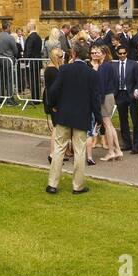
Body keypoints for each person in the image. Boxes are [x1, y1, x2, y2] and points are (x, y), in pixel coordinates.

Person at [45, 41, 102, 195]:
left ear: (74, 54)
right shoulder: (92, 74)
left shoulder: (64, 69)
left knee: (58, 149)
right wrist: (98, 118)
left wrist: (54, 106)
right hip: (82, 116)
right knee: (79, 151)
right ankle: (77, 186)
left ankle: (52, 184)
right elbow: (96, 99)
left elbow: (52, 90)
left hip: (64, 115)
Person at [90, 43, 122, 162]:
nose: (95, 54)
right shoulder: (108, 65)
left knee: (107, 124)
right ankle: (117, 150)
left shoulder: (104, 66)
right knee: (110, 124)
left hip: (105, 97)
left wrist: (98, 101)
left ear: (103, 53)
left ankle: (111, 152)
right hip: (109, 95)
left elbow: (101, 86)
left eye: (98, 52)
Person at [113, 42, 138, 153]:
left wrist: (136, 90)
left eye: (124, 53)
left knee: (135, 119)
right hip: (120, 94)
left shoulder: (133, 64)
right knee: (123, 120)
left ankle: (137, 144)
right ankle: (127, 143)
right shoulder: (114, 65)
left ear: (127, 53)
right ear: (117, 54)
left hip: (130, 94)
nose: (122, 55)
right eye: (120, 54)